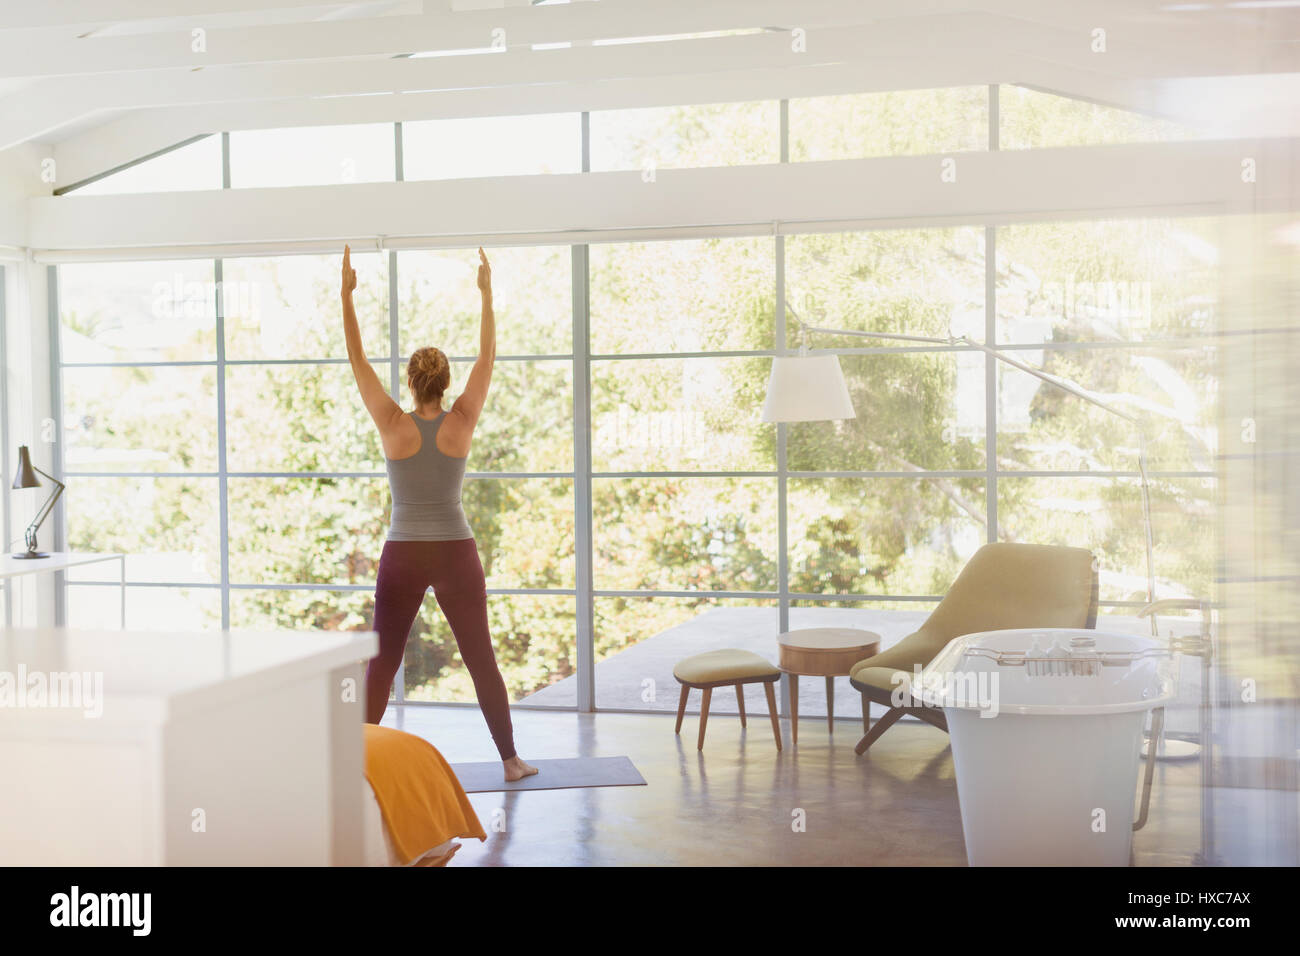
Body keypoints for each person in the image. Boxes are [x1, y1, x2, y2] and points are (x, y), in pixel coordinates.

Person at [341, 244, 538, 782]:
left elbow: (356, 360)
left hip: (403, 553)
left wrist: (346, 296)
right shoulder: (462, 419)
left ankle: (354, 765)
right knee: (480, 659)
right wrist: (486, 294)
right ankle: (511, 761)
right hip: (455, 552)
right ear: (446, 383)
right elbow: (488, 357)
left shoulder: (391, 423)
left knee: (382, 663)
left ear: (409, 381)